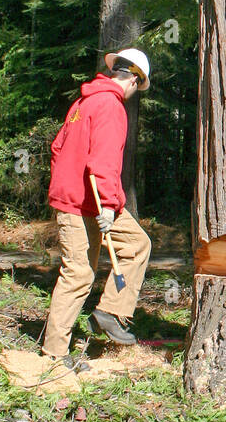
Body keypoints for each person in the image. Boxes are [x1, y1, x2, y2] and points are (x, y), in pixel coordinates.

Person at [42, 48, 153, 367]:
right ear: (133, 78)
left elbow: (57, 148)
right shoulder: (110, 106)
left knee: (95, 265)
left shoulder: (82, 103)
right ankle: (59, 352)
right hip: (88, 202)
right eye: (138, 87)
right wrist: (107, 204)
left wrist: (67, 185)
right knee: (82, 272)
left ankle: (107, 313)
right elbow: (103, 161)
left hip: (78, 199)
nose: (135, 94)